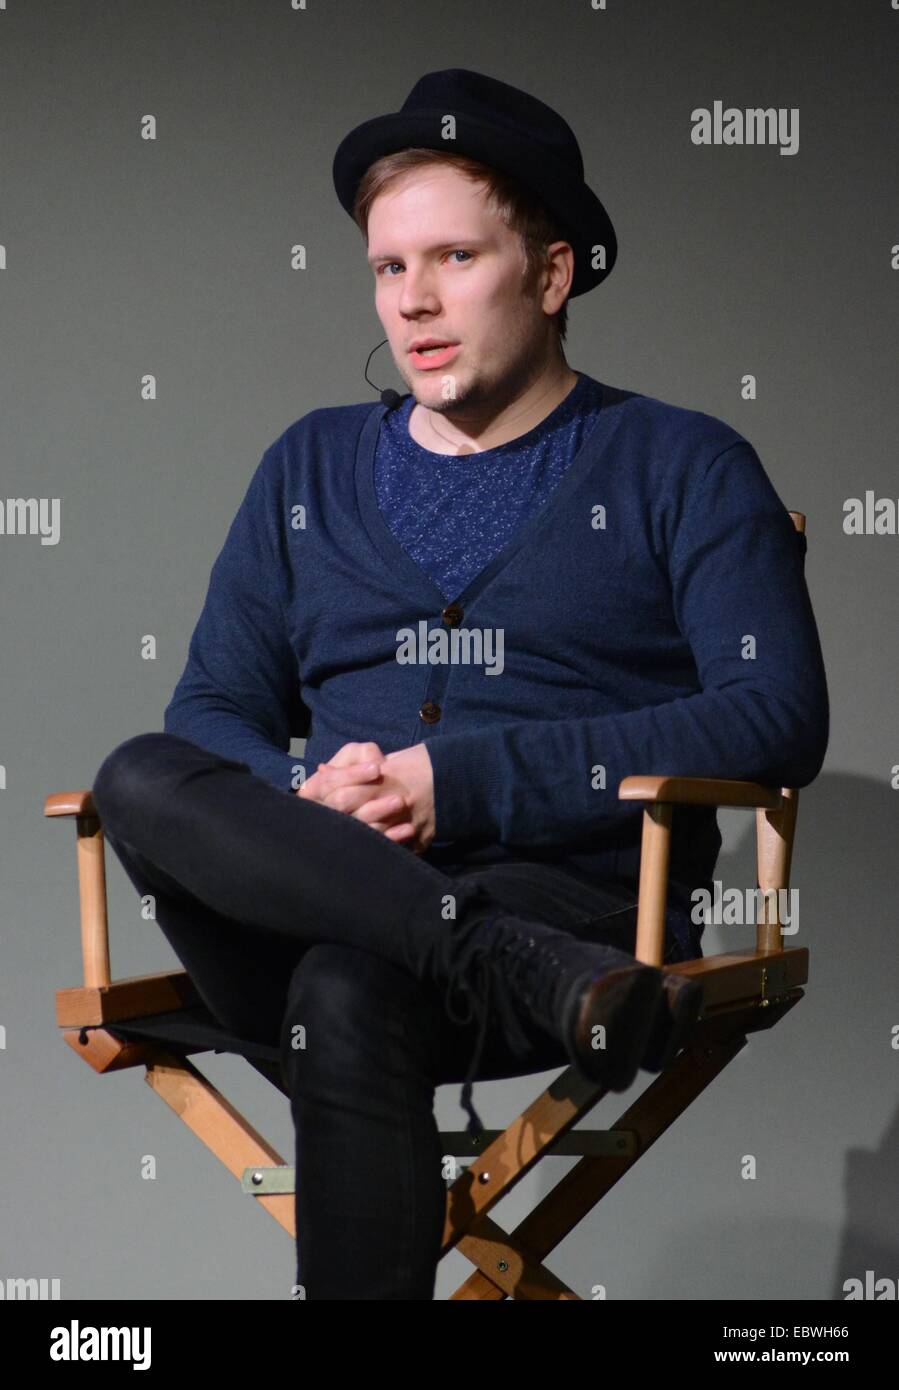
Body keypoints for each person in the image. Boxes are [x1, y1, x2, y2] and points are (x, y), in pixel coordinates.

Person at [90, 68, 829, 1300]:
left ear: (548, 273)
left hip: (576, 921)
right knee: (140, 775)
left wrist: (457, 783)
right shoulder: (307, 465)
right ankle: (481, 952)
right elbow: (210, 713)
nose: (414, 302)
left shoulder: (681, 463)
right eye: (387, 268)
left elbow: (773, 713)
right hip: (356, 921)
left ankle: (482, 951)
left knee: (345, 984)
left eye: (452, 258)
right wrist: (309, 798)